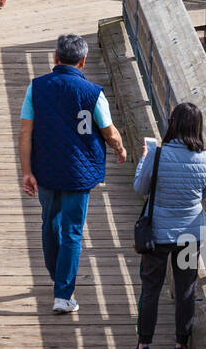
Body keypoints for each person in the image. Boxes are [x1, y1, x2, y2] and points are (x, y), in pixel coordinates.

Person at [19, 34, 127, 314]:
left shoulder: (37, 87)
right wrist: (119, 147)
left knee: (49, 222)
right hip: (79, 172)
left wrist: (27, 171)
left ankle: (58, 278)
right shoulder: (92, 92)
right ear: (83, 60)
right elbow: (108, 130)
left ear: (56, 57)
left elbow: (25, 132)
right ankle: (63, 294)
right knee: (73, 232)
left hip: (45, 167)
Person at [129, 102, 206, 349]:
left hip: (157, 232)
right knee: (186, 290)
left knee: (151, 289)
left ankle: (144, 347)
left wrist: (145, 158)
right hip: (190, 233)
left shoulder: (157, 154)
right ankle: (181, 347)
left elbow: (140, 187)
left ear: (173, 124)